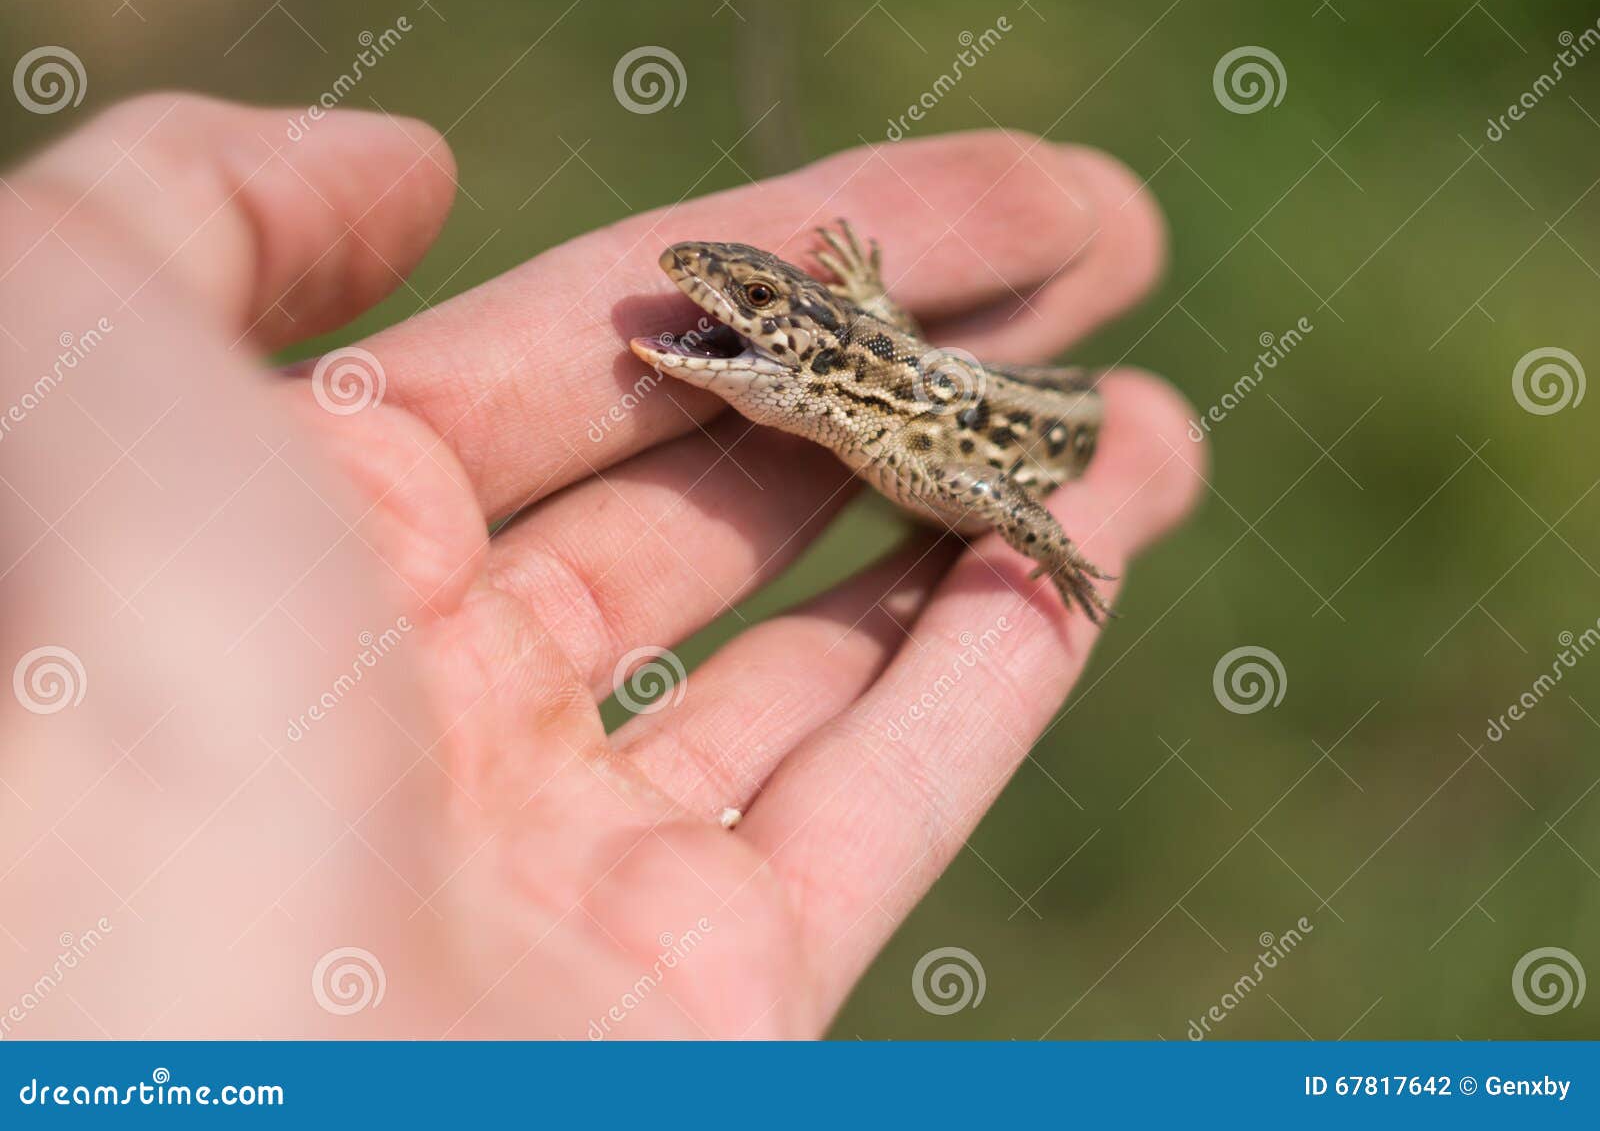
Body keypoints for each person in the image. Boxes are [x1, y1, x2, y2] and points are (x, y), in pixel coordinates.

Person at [0, 94, 1202, 1038]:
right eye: (733, 290)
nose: (700, 288)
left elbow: (992, 495)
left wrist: (1054, 551)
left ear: (811, 353)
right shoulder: (850, 389)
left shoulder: (911, 431)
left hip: (1040, 426)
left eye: (741, 297)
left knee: (1003, 515)